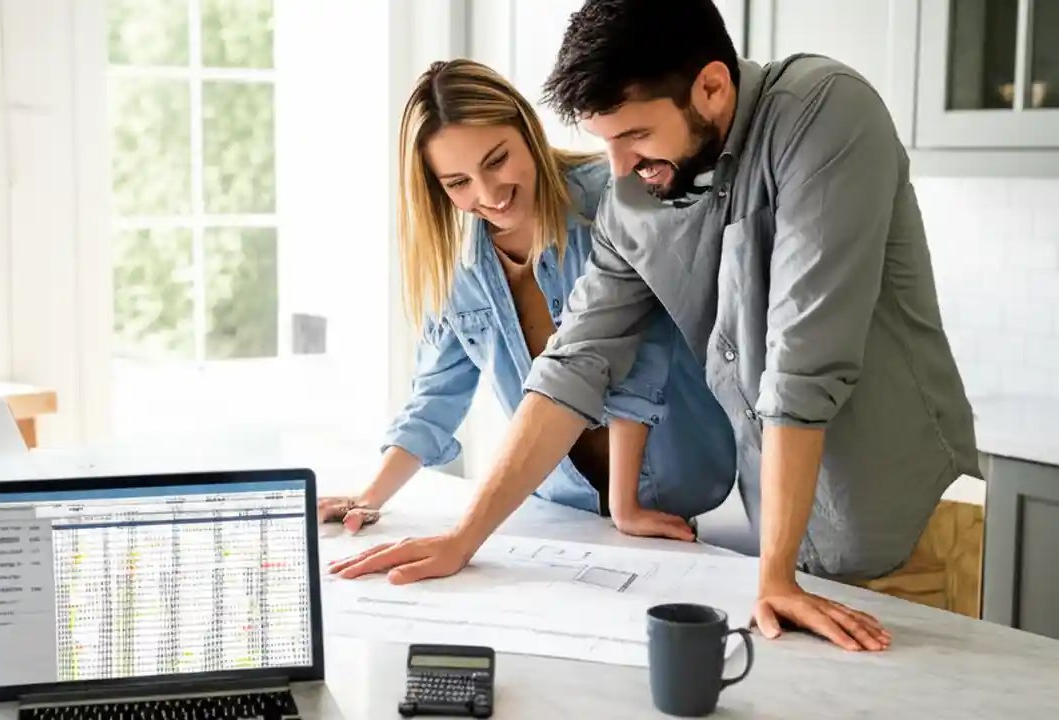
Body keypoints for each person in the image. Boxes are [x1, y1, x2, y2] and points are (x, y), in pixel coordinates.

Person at [329, 0, 981, 655]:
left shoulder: (825, 112)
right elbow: (574, 362)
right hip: (787, 540)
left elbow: (802, 355)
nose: (616, 169)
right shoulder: (639, 193)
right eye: (606, 140)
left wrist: (775, 572)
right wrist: (462, 538)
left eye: (634, 136)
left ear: (712, 88)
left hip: (899, 513)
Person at [318, 58, 736, 548]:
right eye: (458, 183)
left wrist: (625, 505)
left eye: (497, 160)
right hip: (564, 506)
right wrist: (370, 498)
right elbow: (436, 396)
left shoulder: (613, 197)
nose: (489, 194)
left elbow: (641, 353)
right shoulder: (460, 266)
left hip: (663, 490)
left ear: (526, 129)